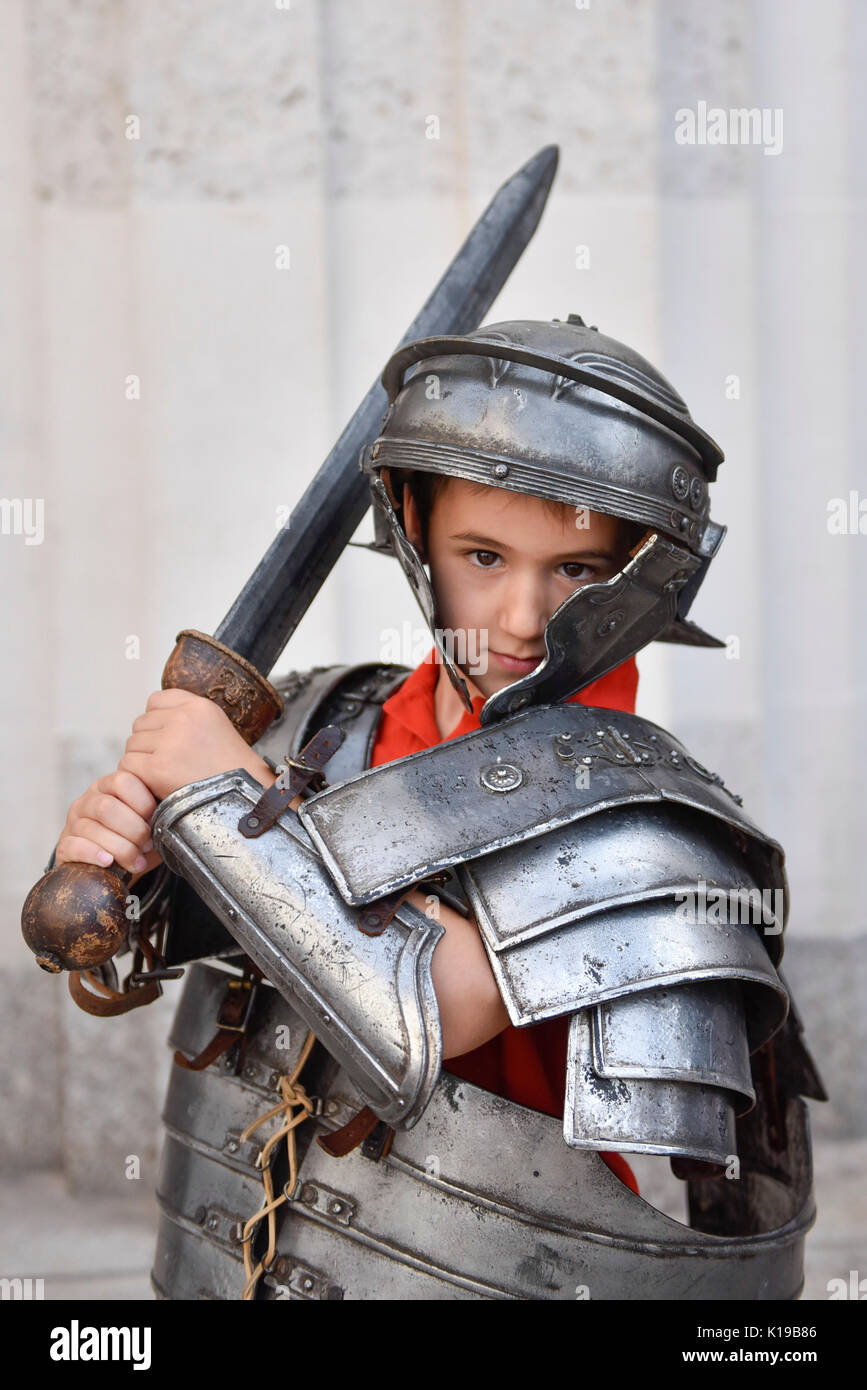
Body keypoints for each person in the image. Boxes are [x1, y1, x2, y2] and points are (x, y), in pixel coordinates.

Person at [53, 316, 824, 1300]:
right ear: (414, 529)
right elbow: (139, 960)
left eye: (577, 570)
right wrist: (125, 872)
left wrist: (225, 800)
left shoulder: (643, 814)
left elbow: (422, 1011)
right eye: (485, 555)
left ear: (641, 577)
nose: (520, 617)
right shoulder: (321, 720)